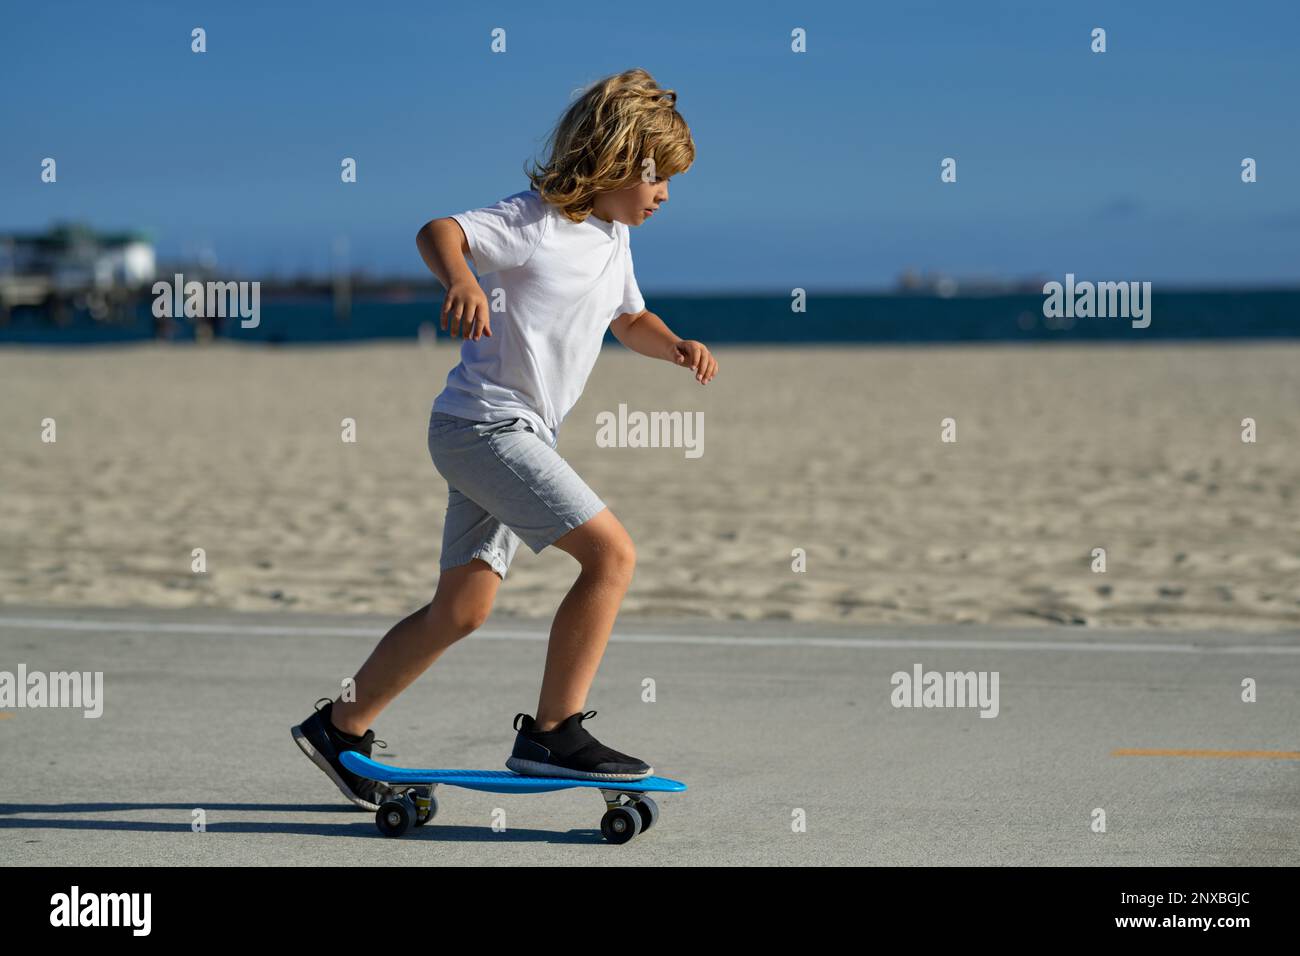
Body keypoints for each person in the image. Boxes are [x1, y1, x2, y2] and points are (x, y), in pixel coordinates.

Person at [292, 68, 716, 810]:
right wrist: (459, 280)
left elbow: (627, 319)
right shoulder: (534, 221)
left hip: (506, 434)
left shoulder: (613, 240)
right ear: (620, 161)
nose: (666, 196)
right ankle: (553, 732)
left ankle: (340, 725)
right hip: (483, 427)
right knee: (612, 555)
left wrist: (674, 344)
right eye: (660, 179)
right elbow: (440, 232)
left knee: (462, 610)